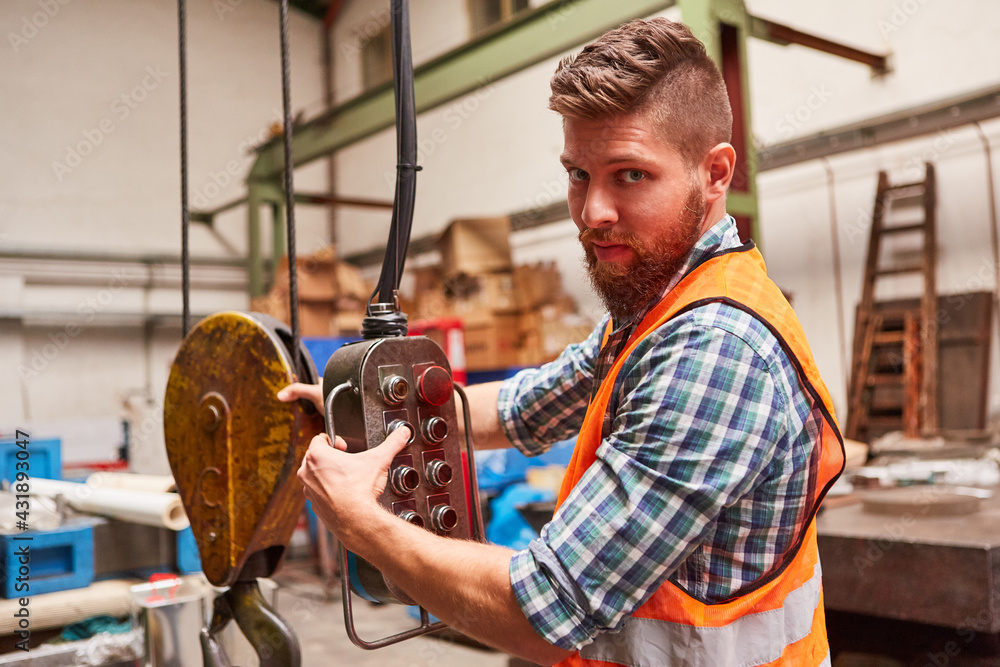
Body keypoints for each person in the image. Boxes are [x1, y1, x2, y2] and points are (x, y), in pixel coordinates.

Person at [280, 17, 844, 667]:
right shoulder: (659, 309)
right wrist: (368, 404)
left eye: (629, 175)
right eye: (578, 174)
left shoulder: (711, 351)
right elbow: (526, 406)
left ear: (715, 173)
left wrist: (363, 523)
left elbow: (540, 613)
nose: (592, 211)